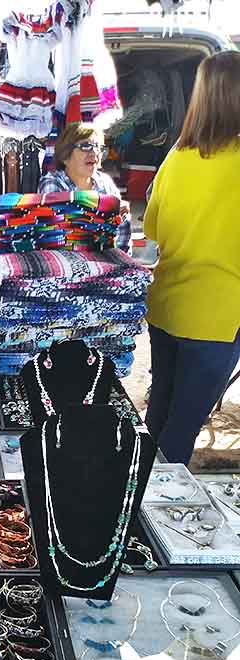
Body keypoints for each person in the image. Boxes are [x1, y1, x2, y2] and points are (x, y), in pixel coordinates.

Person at [143, 50, 240, 464]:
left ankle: (130, 498)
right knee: (181, 428)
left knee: (159, 416)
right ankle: (151, 517)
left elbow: (153, 229)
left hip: (167, 306)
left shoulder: (177, 158)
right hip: (217, 317)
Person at [38, 121, 132, 253]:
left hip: (106, 264)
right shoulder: (52, 183)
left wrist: (120, 216)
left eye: (98, 147)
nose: (94, 153)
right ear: (66, 156)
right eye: (86, 146)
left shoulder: (105, 183)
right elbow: (59, 233)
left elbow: (122, 240)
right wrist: (106, 215)